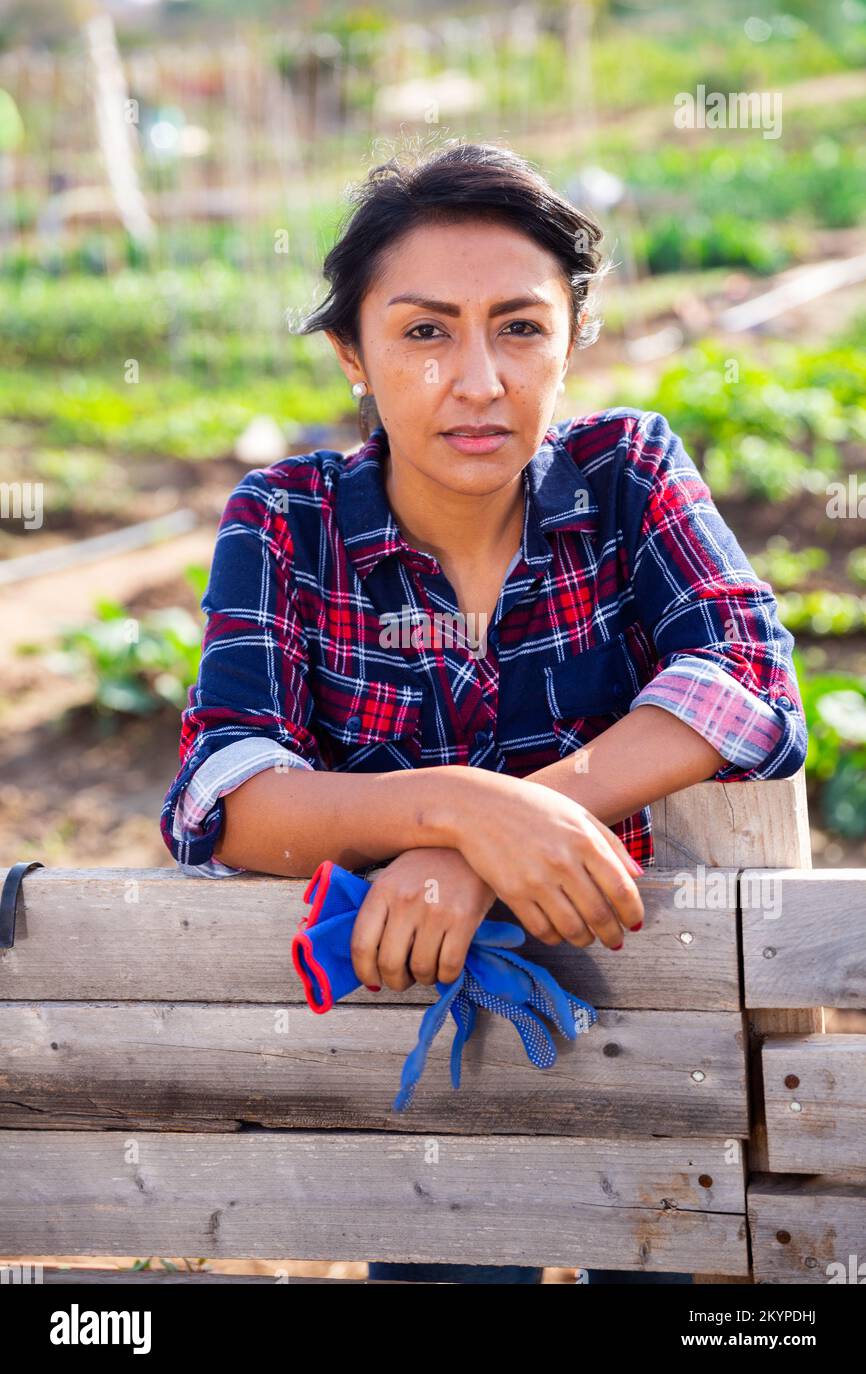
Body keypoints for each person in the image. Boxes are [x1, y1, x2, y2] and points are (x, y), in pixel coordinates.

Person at [159, 141, 807, 1285]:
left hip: (641, 1015)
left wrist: (496, 840)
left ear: (571, 339)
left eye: (518, 326)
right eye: (422, 331)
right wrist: (459, 807)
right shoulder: (285, 520)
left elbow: (744, 676)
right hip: (405, 1052)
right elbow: (227, 792)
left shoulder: (625, 473)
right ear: (349, 355)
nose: (478, 379)